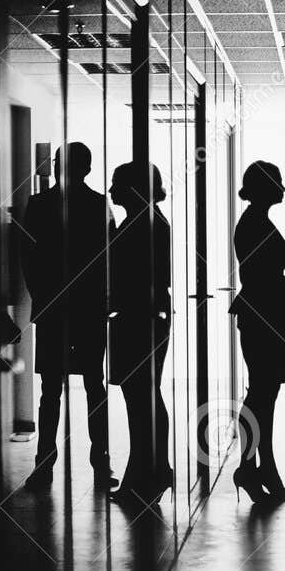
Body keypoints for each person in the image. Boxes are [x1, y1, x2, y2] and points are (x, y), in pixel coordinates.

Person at [22, 142, 115, 491]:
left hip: (54, 309)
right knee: (94, 386)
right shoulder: (97, 205)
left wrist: (41, 296)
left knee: (52, 390)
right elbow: (109, 258)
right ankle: (100, 460)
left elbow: (28, 256)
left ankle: (45, 462)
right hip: (88, 309)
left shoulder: (40, 204)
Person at [230, 161, 285, 504]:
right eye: (278, 182)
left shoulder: (254, 222)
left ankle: (258, 468)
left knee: (261, 395)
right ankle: (255, 468)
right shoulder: (255, 224)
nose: (283, 188)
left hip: (263, 315)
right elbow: (262, 280)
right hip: (263, 316)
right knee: (261, 396)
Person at [108, 160, 172, 503]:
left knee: (141, 399)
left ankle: (144, 474)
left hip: (138, 319)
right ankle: (153, 469)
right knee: (146, 397)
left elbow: (131, 276)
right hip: (144, 316)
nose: (111, 190)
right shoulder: (147, 221)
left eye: (117, 183)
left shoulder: (141, 224)